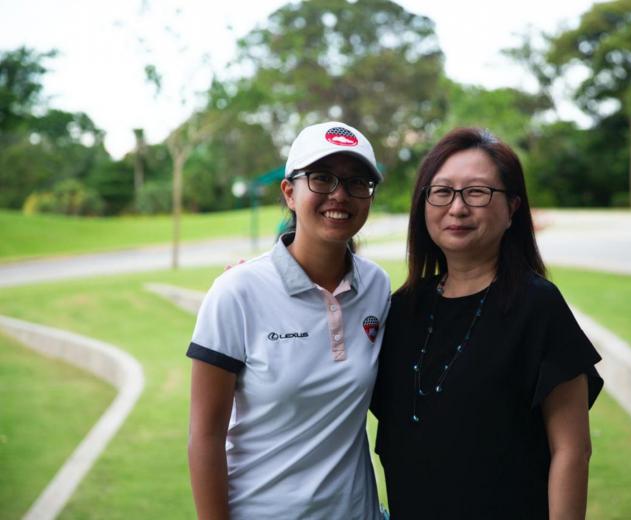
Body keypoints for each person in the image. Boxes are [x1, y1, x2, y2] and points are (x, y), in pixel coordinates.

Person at [371, 128, 603, 519]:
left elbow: (572, 451)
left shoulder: (537, 307)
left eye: (477, 192)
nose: (457, 208)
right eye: (442, 191)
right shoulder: (402, 309)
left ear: (512, 208)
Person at [186, 122, 391, 520]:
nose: (340, 194)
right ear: (289, 193)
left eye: (356, 181)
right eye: (322, 178)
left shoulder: (377, 287)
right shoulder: (236, 293)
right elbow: (205, 437)